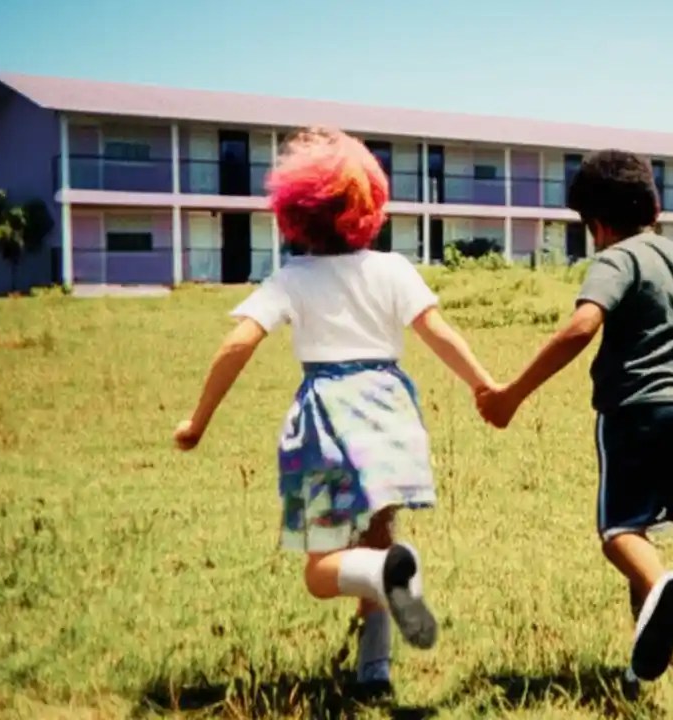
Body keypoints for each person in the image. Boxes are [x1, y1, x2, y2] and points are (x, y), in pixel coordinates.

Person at [173, 127, 495, 699]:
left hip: (328, 417)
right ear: (369, 204)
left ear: (294, 211)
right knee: (377, 531)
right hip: (390, 410)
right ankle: (375, 667)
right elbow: (437, 332)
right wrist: (485, 385)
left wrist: (197, 423)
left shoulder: (292, 277)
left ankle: (383, 574)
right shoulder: (394, 268)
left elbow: (237, 344)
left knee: (323, 572)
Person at [476, 149, 673, 694]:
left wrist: (511, 395)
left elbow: (581, 326)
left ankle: (663, 586)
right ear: (654, 205)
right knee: (642, 533)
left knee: (617, 534)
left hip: (637, 410)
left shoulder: (617, 257)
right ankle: (639, 671)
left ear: (598, 223)